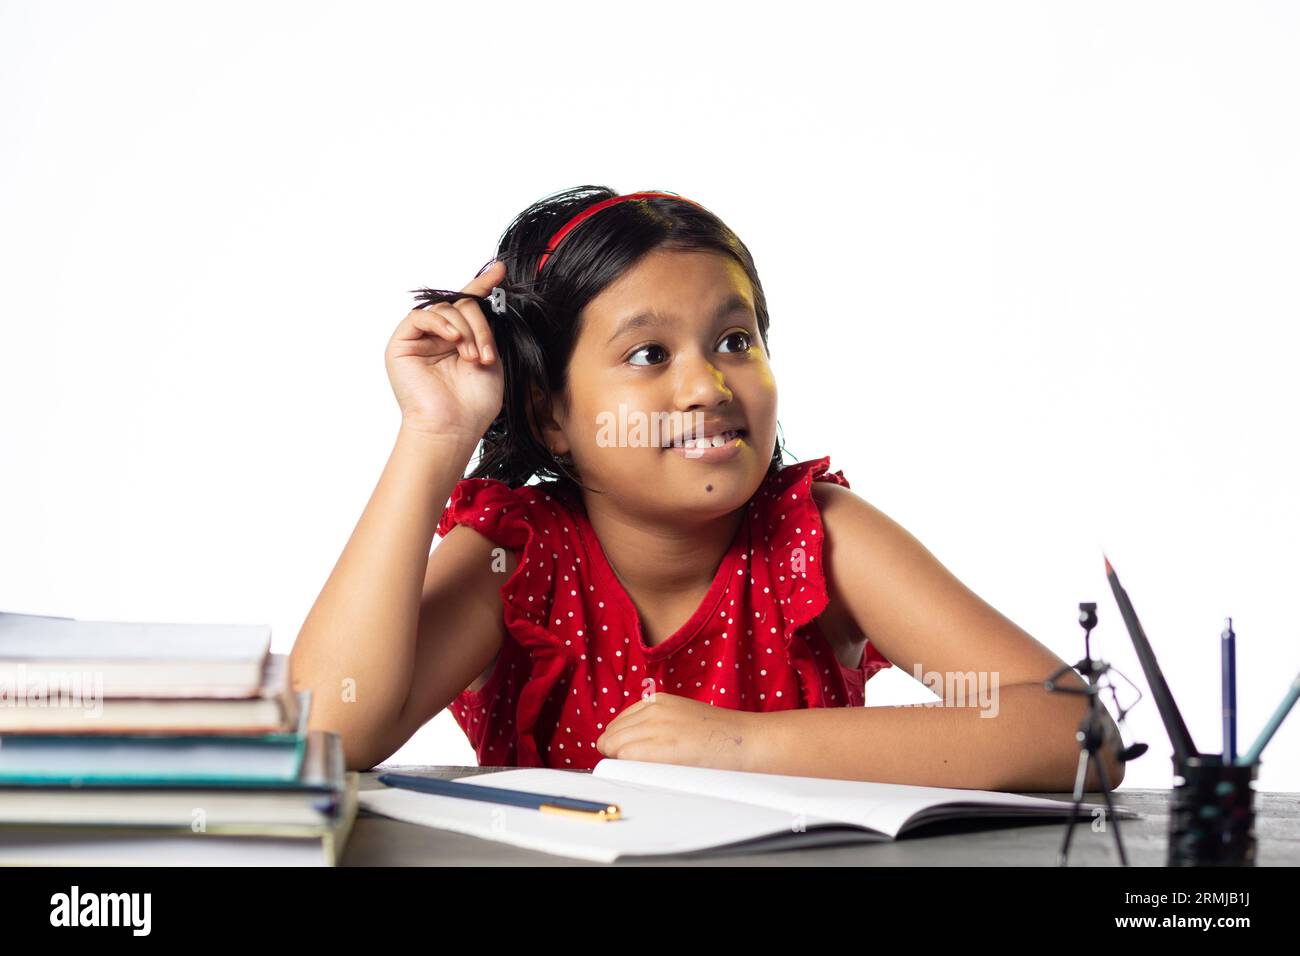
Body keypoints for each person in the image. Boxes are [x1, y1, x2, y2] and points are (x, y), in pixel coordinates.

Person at [290, 186, 1126, 791]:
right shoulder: (518, 560)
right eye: (649, 355)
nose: (708, 387)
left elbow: (1077, 732)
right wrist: (435, 437)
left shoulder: (819, 540)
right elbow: (327, 729)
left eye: (734, 340)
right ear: (549, 416)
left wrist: (744, 746)